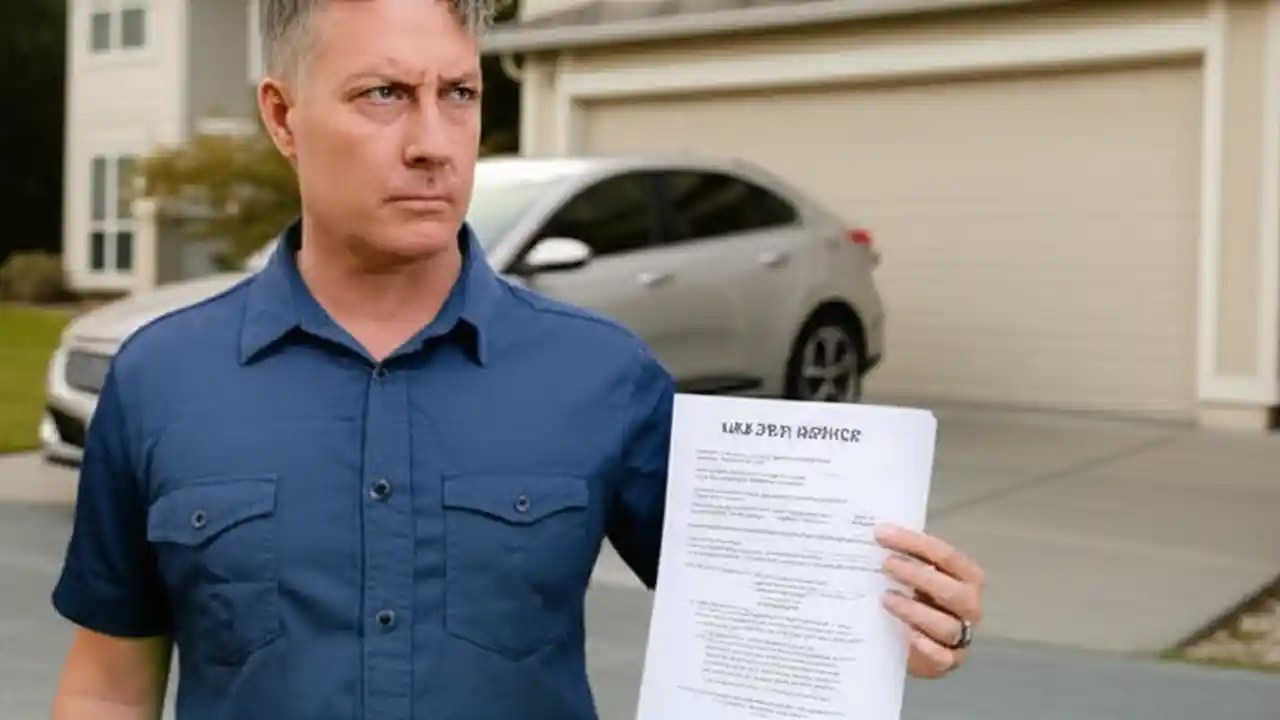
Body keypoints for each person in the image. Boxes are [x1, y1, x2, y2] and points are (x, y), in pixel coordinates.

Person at [48, 1, 986, 718]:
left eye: (457, 94)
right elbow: (109, 684)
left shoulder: (603, 377)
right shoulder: (163, 380)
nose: (431, 143)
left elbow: (782, 608)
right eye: (383, 95)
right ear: (283, 116)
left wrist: (900, 619)